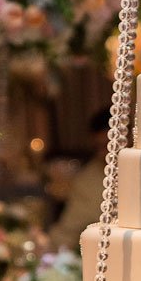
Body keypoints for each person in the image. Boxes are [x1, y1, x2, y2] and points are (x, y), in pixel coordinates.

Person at [50, 107, 110, 252]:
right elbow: (69, 229)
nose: (102, 154)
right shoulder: (87, 179)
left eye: (107, 146)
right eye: (97, 147)